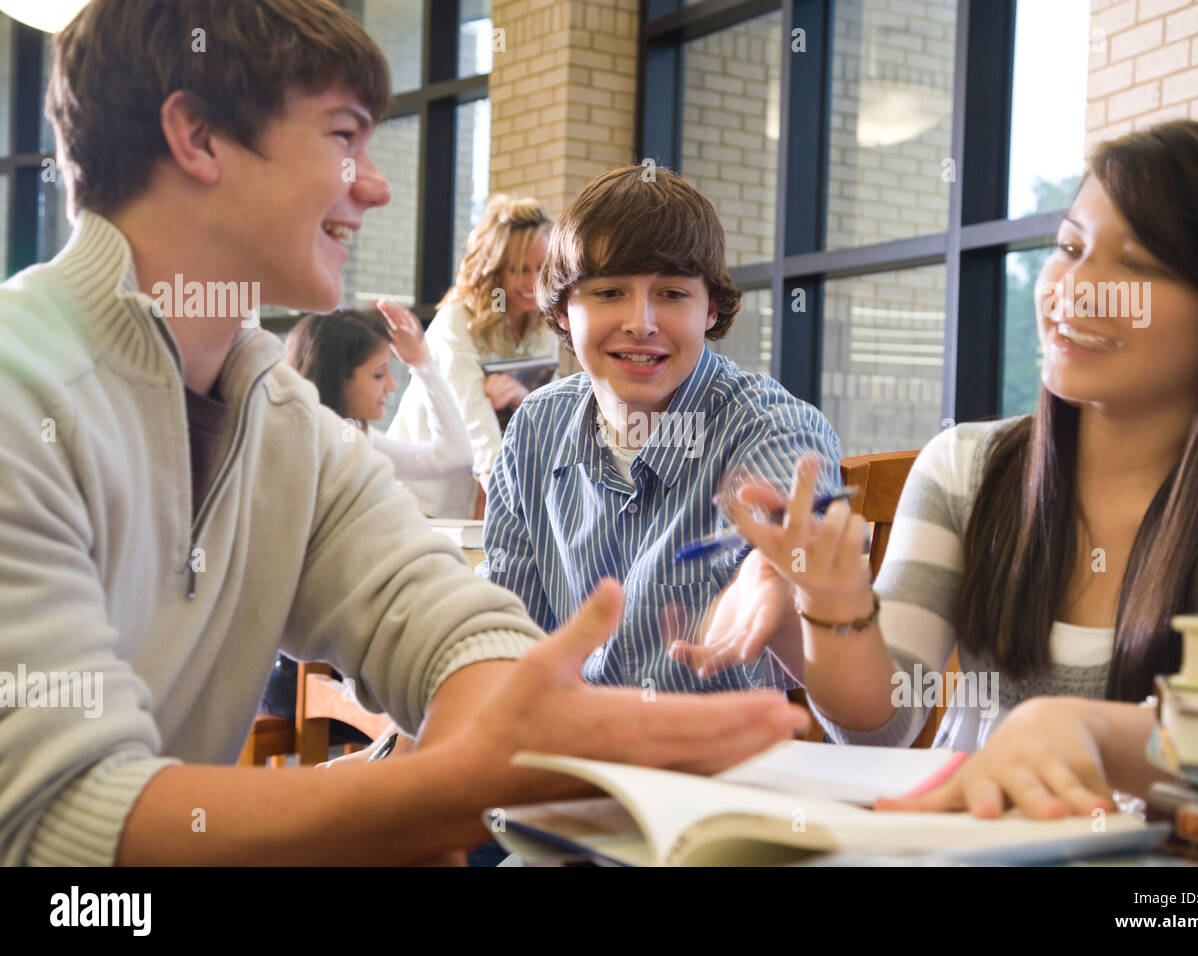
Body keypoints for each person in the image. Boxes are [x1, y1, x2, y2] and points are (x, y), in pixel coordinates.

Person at [0, 0, 808, 867]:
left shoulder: (279, 422)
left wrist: (469, 773)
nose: (375, 185)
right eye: (343, 138)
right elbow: (53, 827)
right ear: (198, 136)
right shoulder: (22, 392)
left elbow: (454, 627)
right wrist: (438, 798)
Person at [675, 120, 1198, 818]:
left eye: (1139, 266)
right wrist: (828, 604)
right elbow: (879, 723)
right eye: (1070, 247)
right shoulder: (969, 469)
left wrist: (1084, 729)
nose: (1077, 288)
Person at [483, 164, 842, 695]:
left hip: (719, 765)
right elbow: (507, 637)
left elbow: (790, 579)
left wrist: (777, 579)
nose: (641, 322)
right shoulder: (536, 426)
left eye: (672, 294)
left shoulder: (773, 431)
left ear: (710, 309)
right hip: (566, 758)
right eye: (608, 293)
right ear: (561, 311)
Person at [388, 195, 556, 493]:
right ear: (496, 268)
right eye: (519, 269)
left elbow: (552, 413)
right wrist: (511, 500)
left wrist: (522, 396)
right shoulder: (457, 321)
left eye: (542, 268)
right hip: (423, 490)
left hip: (482, 490)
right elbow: (475, 422)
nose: (533, 283)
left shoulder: (544, 325)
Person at [285, 302, 477, 517]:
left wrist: (421, 363)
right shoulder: (299, 448)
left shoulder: (359, 436)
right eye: (379, 374)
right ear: (338, 379)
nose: (392, 385)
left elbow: (456, 457)